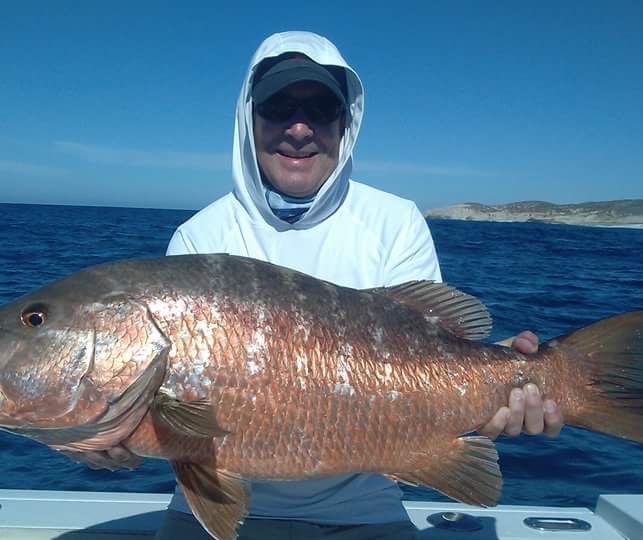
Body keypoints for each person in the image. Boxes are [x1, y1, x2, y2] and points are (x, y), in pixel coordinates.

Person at [159, 31, 563, 539]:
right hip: (210, 502)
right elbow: (165, 420)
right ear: (248, 116)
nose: (299, 127)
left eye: (321, 108)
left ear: (346, 121)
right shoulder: (199, 237)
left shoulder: (395, 222)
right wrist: (102, 435)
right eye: (278, 106)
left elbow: (438, 359)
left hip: (365, 510)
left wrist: (498, 392)